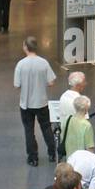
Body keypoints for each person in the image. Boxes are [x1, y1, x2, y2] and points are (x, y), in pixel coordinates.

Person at [14, 36, 57, 167]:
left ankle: (33, 157)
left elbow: (17, 85)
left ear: (25, 47)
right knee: (46, 127)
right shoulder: (43, 63)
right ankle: (51, 153)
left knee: (29, 130)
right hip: (41, 102)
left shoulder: (21, 64)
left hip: (26, 104)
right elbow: (51, 82)